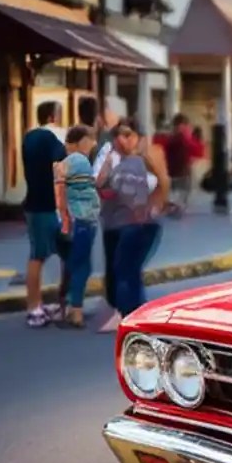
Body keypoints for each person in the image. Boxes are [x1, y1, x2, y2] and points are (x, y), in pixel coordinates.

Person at [95, 118, 170, 332]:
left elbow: (163, 182)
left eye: (127, 135)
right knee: (116, 270)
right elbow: (99, 183)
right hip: (113, 221)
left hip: (140, 223)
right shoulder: (112, 157)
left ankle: (127, 314)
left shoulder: (151, 155)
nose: (121, 140)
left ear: (138, 137)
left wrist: (156, 206)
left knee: (126, 267)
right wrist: (108, 164)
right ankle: (132, 311)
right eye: (118, 135)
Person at [22, 101, 68, 328]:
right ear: (53, 116)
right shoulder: (53, 138)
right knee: (43, 255)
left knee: (40, 254)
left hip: (33, 203)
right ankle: (36, 307)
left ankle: (38, 303)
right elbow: (62, 165)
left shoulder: (29, 137)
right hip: (48, 206)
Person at [54, 125, 100, 328]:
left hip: (70, 221)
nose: (94, 144)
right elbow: (85, 192)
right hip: (81, 220)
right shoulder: (79, 160)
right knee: (81, 266)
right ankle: (76, 311)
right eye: (90, 140)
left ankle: (67, 305)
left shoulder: (69, 162)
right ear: (80, 142)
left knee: (74, 264)